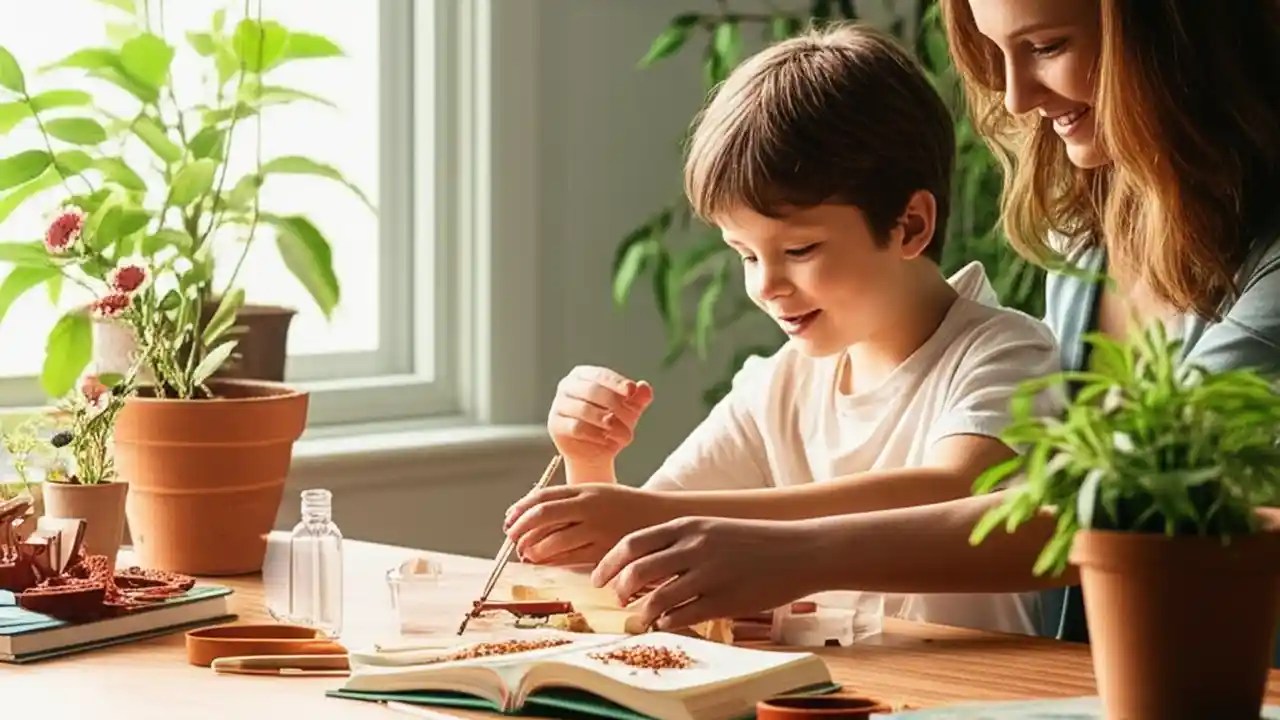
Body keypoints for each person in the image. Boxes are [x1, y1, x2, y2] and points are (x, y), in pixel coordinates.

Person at [512, 0, 1280, 638]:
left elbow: (1104, 514)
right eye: (993, 51)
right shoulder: (1085, 251)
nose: (1013, 101)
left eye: (1046, 44)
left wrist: (783, 550)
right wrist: (598, 481)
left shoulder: (1001, 347)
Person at [506, 22, 1064, 636]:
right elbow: (642, 550)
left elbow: (951, 493)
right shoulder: (776, 386)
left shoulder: (1005, 351)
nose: (764, 286)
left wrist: (661, 512)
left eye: (799, 250)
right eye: (745, 254)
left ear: (909, 225)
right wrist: (591, 462)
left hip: (970, 695)